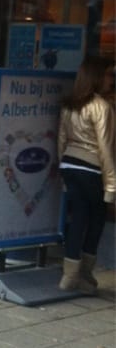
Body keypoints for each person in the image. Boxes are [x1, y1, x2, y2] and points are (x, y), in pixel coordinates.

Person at [57, 55, 115, 293]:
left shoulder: (70, 104)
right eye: (109, 74)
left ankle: (69, 276)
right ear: (98, 77)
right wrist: (112, 185)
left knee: (79, 218)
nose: (111, 79)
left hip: (70, 165)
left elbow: (61, 138)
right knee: (97, 219)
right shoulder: (102, 107)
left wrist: (62, 168)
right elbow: (107, 148)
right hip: (92, 168)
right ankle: (86, 273)